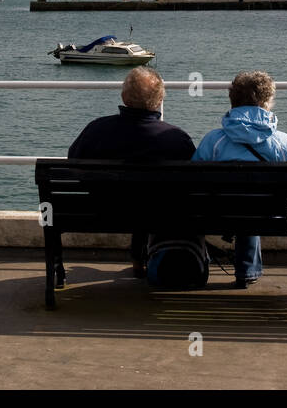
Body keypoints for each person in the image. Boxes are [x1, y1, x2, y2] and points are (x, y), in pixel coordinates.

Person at [68, 66, 196, 277]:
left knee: (135, 196)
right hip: (158, 213)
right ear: (159, 99)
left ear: (124, 97)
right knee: (150, 198)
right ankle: (143, 259)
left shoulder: (96, 130)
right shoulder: (177, 139)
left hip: (103, 211)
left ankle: (139, 260)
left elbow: (73, 164)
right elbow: (190, 183)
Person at [192, 70, 287, 287]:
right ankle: (247, 271)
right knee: (254, 205)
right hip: (269, 213)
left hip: (220, 211)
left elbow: (194, 180)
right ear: (267, 102)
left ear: (232, 100)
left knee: (239, 203)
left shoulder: (213, 142)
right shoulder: (285, 144)